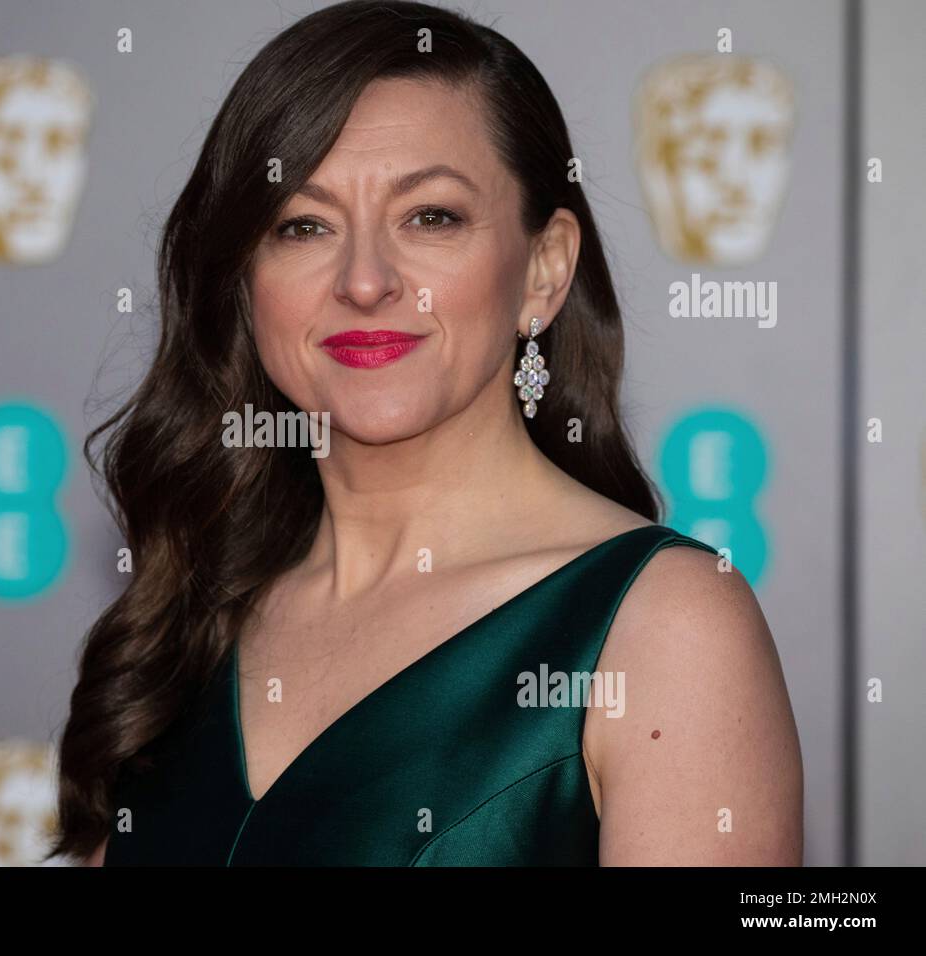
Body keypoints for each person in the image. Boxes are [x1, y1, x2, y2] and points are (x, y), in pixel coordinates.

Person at [51, 0, 802, 866]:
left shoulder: (665, 628)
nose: (364, 280)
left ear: (546, 269)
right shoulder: (185, 620)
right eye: (304, 225)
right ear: (244, 285)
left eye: (430, 217)